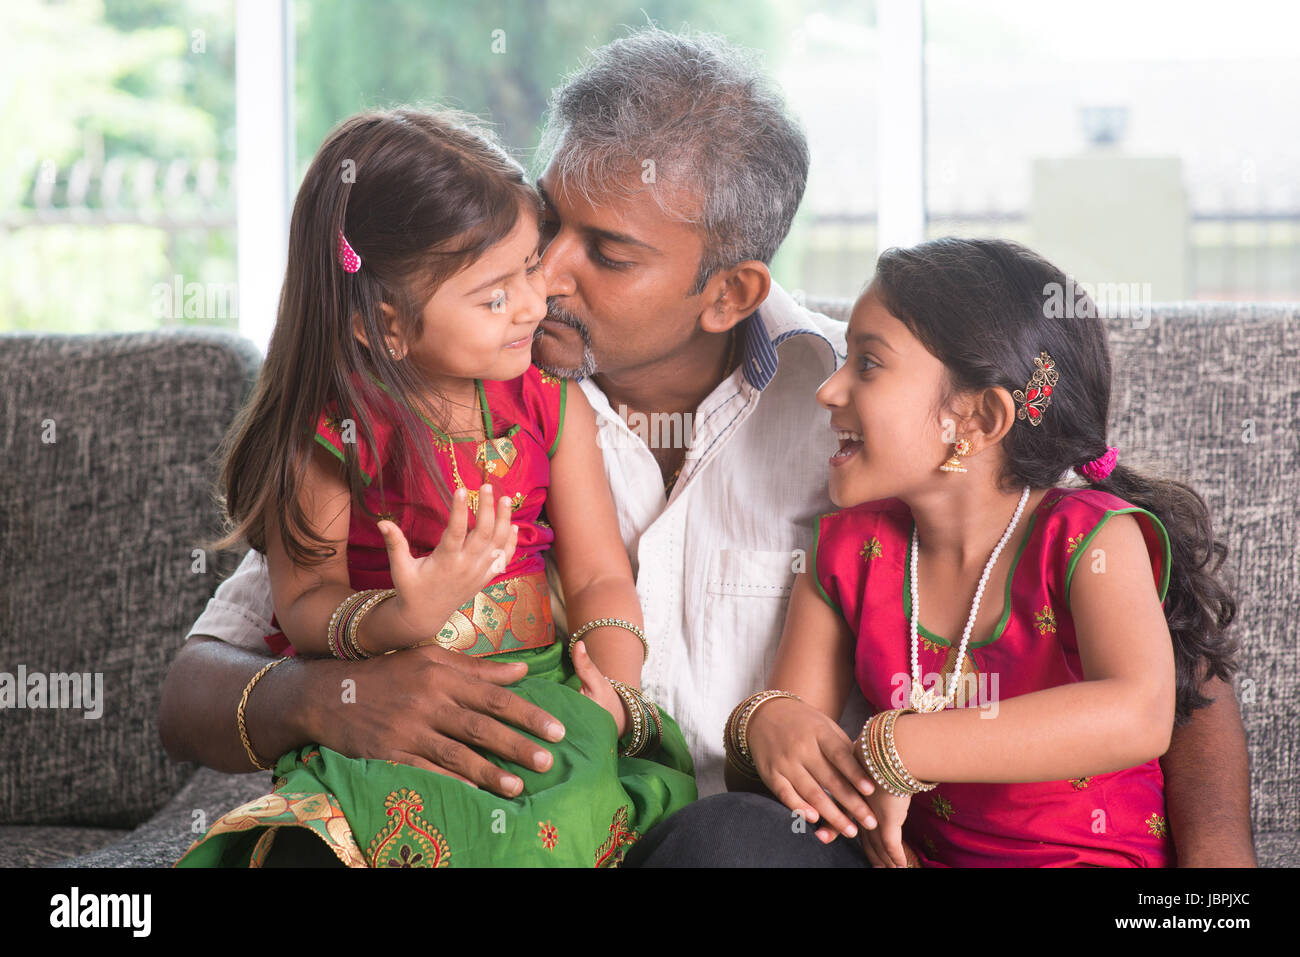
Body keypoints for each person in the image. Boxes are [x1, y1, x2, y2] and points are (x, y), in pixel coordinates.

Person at [161, 27, 1256, 867]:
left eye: (609, 253)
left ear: (728, 288)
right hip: (488, 821)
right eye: (545, 226)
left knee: (730, 842)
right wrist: (338, 697)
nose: (543, 278)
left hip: (737, 847)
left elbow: (1163, 652)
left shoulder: (873, 408)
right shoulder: (452, 395)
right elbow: (201, 682)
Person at [175, 107, 695, 867]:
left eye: (528, 266)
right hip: (383, 709)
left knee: (575, 800)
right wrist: (399, 616)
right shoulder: (329, 439)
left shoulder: (552, 406)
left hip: (543, 695)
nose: (533, 300)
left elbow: (596, 574)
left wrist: (613, 690)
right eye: (495, 293)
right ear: (385, 325)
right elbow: (306, 603)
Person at [710, 237, 1240, 867]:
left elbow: (1139, 712)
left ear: (980, 419)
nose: (828, 391)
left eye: (869, 364)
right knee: (726, 831)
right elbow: (799, 767)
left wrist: (902, 745)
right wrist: (763, 727)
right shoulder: (849, 550)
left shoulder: (1088, 539)